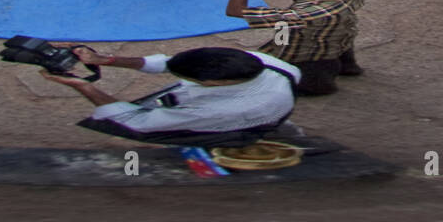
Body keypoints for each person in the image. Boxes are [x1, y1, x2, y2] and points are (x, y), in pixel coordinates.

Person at [47, 45, 301, 144]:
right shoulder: (256, 60)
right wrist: (106, 60)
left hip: (241, 122)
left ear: (211, 83)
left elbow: (137, 122)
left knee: (143, 126)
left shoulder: (219, 111)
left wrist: (85, 87)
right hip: (269, 104)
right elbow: (167, 64)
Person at [223, 0, 368, 95]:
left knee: (309, 78)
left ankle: (317, 88)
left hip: (308, 55)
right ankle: (349, 68)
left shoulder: (303, 15)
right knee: (340, 52)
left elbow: (235, 11)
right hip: (339, 34)